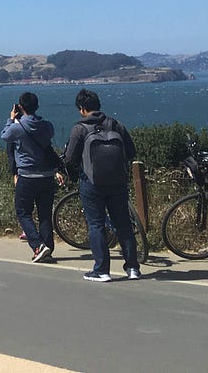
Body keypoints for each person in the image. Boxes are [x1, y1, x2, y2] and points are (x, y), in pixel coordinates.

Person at [63, 88, 141, 282]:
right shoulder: (116, 125)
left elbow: (70, 159)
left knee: (96, 224)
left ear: (82, 109)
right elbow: (131, 151)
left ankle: (101, 270)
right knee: (123, 224)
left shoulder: (80, 129)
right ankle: (132, 268)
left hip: (91, 183)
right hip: (118, 182)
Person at [1, 92, 65, 262]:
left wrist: (11, 119)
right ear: (37, 106)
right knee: (45, 214)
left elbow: (5, 136)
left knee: (22, 212)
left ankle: (38, 246)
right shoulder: (47, 126)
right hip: (46, 176)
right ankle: (47, 247)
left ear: (20, 107)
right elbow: (49, 136)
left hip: (27, 176)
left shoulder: (17, 128)